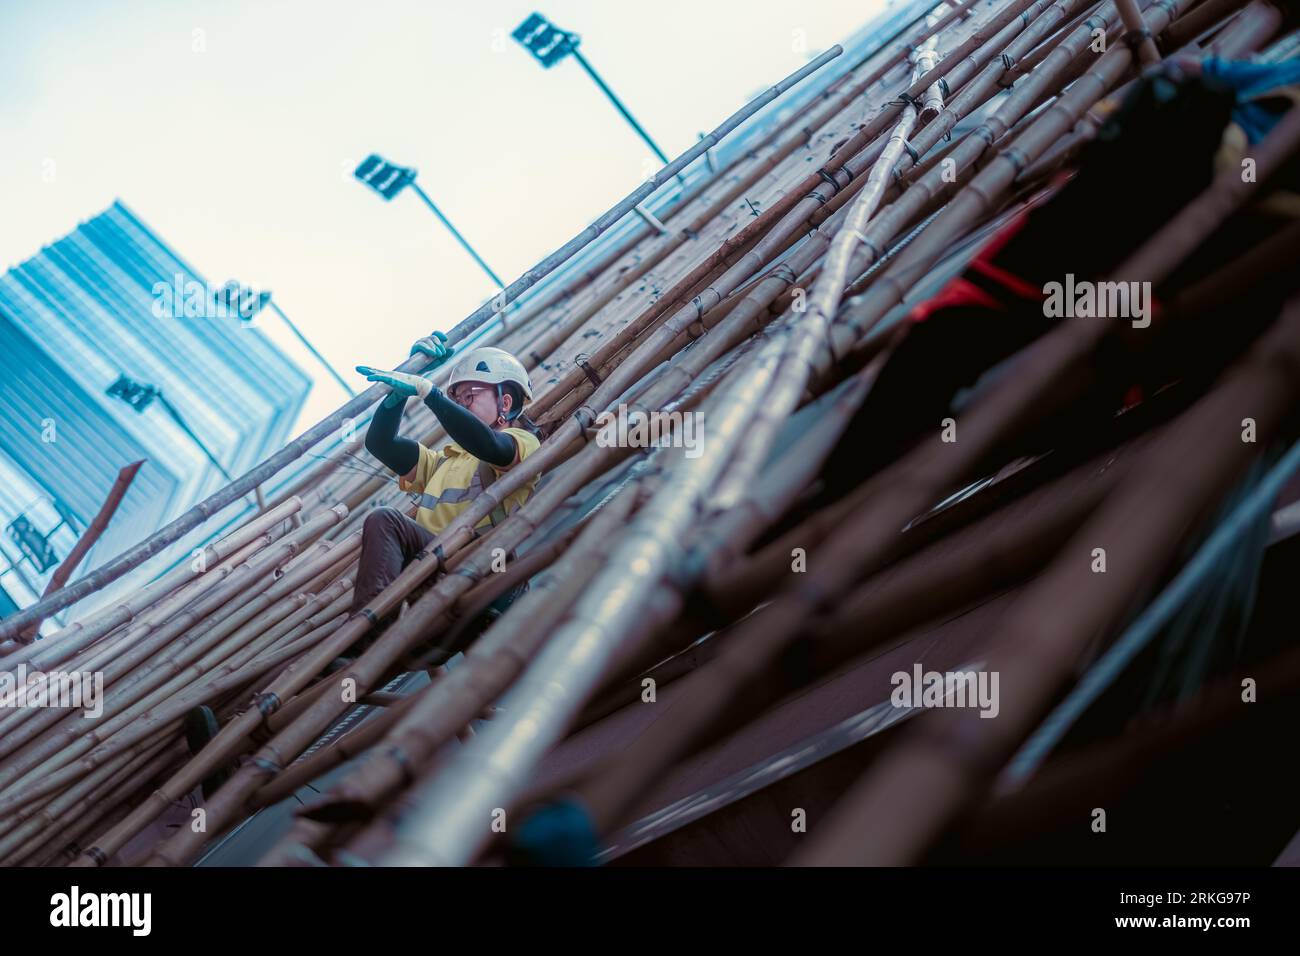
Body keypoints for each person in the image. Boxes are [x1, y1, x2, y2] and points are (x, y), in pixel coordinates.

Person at [349, 336, 540, 623]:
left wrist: (430, 394)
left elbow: (490, 446)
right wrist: (401, 392)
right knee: (384, 524)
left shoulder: (522, 443)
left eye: (470, 396)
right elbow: (381, 443)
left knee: (386, 520)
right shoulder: (443, 463)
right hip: (431, 568)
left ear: (506, 402)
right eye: (457, 400)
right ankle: (367, 636)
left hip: (477, 564)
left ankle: (367, 632)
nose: (461, 406)